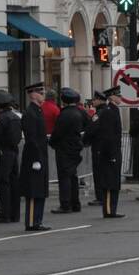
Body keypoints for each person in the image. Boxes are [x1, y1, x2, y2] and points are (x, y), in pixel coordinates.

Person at [83, 84, 126, 218]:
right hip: (109, 153)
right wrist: (111, 154)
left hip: (113, 151)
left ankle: (112, 208)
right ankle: (108, 209)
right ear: (112, 97)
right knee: (109, 181)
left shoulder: (113, 110)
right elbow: (108, 135)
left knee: (114, 181)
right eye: (118, 96)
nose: (120, 98)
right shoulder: (108, 111)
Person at [18, 83, 51, 230]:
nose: (43, 95)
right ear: (33, 95)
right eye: (41, 93)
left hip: (40, 156)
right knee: (33, 190)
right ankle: (32, 221)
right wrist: (36, 159)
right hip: (34, 158)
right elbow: (32, 138)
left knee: (40, 190)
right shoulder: (30, 113)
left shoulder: (37, 111)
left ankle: (37, 220)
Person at [49, 86, 85, 214]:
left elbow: (57, 133)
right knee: (73, 176)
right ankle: (75, 203)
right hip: (75, 147)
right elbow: (90, 126)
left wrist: (52, 142)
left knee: (64, 176)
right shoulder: (80, 112)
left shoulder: (64, 115)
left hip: (64, 148)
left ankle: (65, 204)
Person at [0, 91, 22, 224]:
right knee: (14, 183)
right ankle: (15, 214)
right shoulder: (15, 117)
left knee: (3, 183)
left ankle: (4, 213)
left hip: (4, 152)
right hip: (14, 152)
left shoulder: (3, 119)